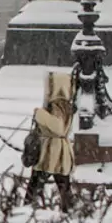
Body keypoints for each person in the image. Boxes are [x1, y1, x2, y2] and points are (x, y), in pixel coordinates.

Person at [25, 71, 76, 211]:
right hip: (58, 151)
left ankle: (28, 209)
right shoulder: (67, 104)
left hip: (51, 151)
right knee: (63, 184)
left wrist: (39, 114)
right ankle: (70, 209)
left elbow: (58, 127)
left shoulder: (58, 104)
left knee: (36, 183)